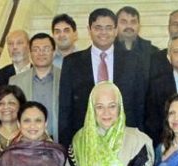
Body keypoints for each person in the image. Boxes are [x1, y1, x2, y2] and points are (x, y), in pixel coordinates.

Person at [58, 8, 146, 146]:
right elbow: (65, 108)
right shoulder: (72, 63)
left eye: (108, 28)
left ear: (116, 30)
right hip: (85, 140)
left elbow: (140, 104)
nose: (103, 32)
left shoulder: (134, 61)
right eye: (98, 28)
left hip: (124, 139)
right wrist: (66, 145)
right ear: (89, 30)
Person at [9, 33, 62, 142]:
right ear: (30, 52)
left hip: (59, 141)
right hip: (26, 143)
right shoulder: (15, 81)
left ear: (54, 51)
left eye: (46, 49)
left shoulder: (66, 78)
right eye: (36, 49)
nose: (41, 53)